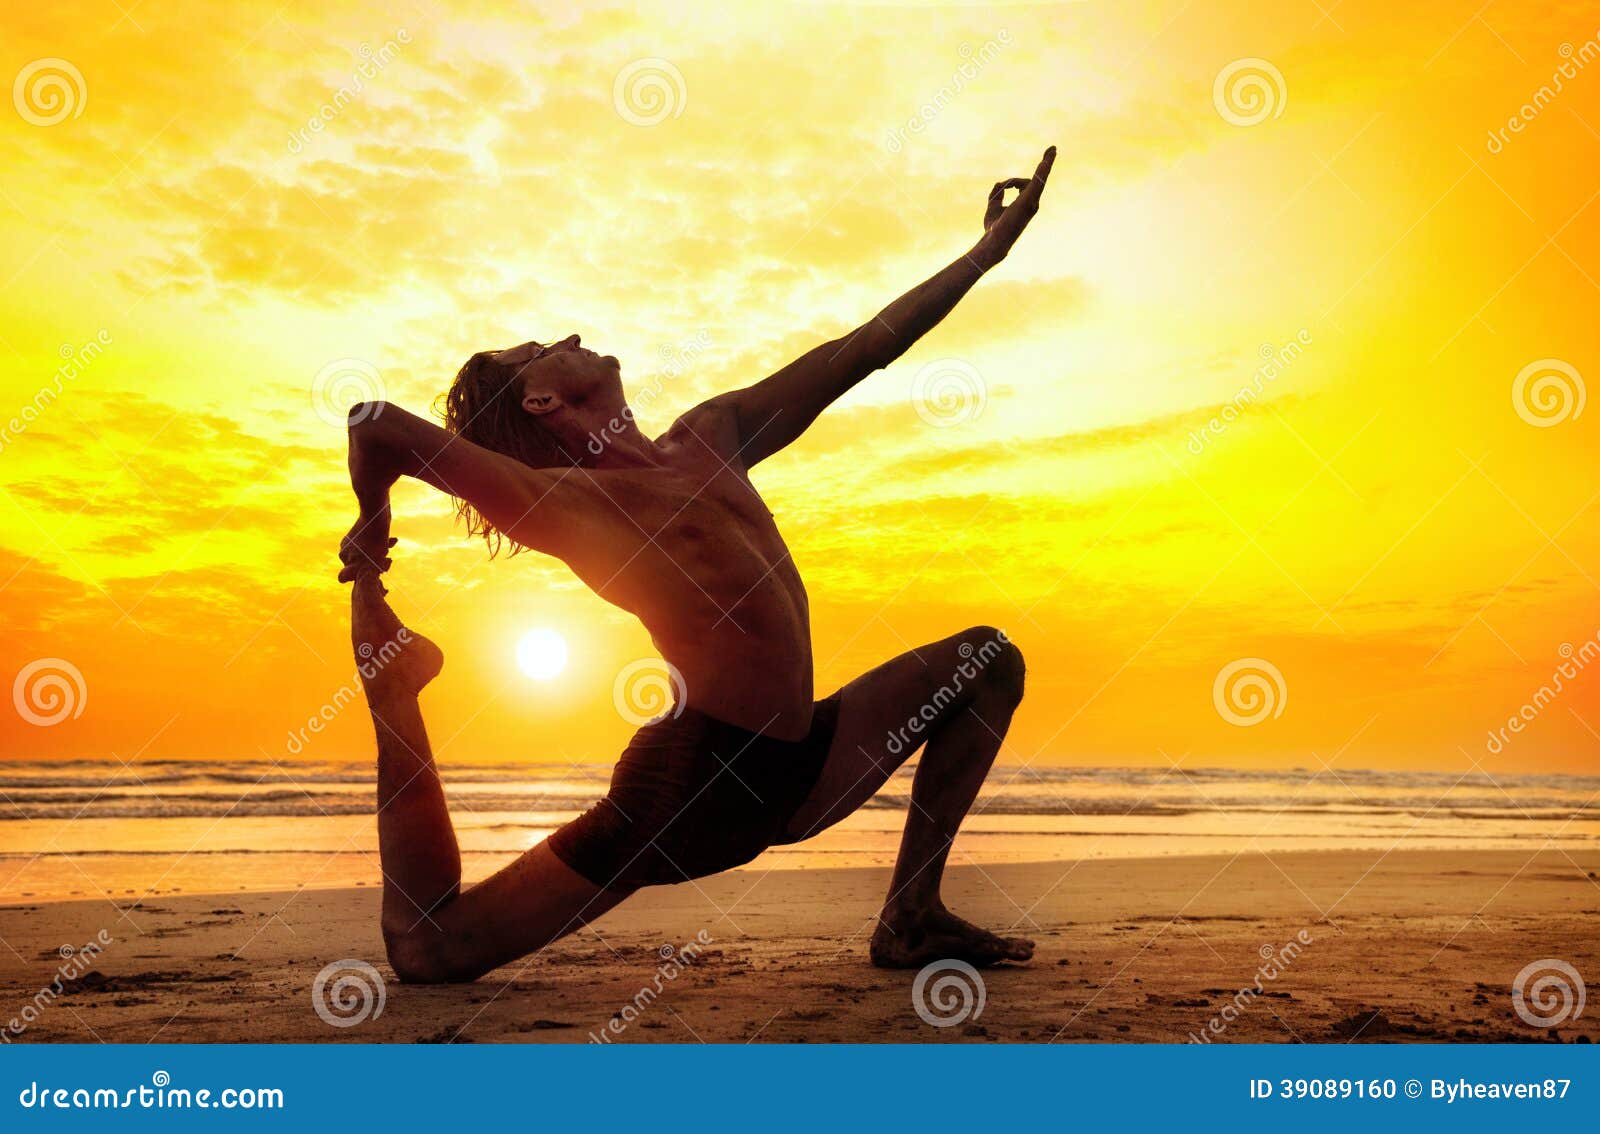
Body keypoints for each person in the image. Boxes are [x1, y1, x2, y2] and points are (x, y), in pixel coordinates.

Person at [338, 147, 1056, 983]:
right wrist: (371, 530)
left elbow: (865, 349)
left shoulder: (711, 435)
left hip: (805, 759)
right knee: (432, 950)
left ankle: (910, 916)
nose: (569, 335)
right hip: (696, 786)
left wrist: (986, 253)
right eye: (541, 346)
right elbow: (373, 422)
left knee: (985, 662)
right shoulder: (564, 504)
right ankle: (394, 693)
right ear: (541, 401)